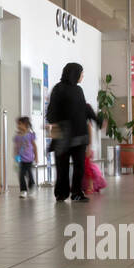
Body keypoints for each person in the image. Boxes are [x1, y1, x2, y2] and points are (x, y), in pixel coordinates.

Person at [45, 62, 98, 202]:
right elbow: (51, 112)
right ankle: (62, 193)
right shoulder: (59, 89)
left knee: (78, 166)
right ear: (74, 73)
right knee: (63, 167)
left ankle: (76, 193)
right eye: (81, 73)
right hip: (65, 136)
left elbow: (84, 109)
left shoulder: (78, 90)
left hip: (78, 136)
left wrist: (96, 120)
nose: (82, 76)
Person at [14, 117, 37, 197]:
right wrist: (16, 156)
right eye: (18, 124)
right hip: (21, 159)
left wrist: (36, 157)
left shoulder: (30, 135)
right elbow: (16, 147)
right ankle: (23, 190)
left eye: (20, 124)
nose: (18, 126)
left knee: (29, 174)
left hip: (29, 159)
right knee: (21, 175)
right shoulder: (17, 136)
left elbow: (34, 146)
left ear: (26, 125)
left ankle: (32, 185)